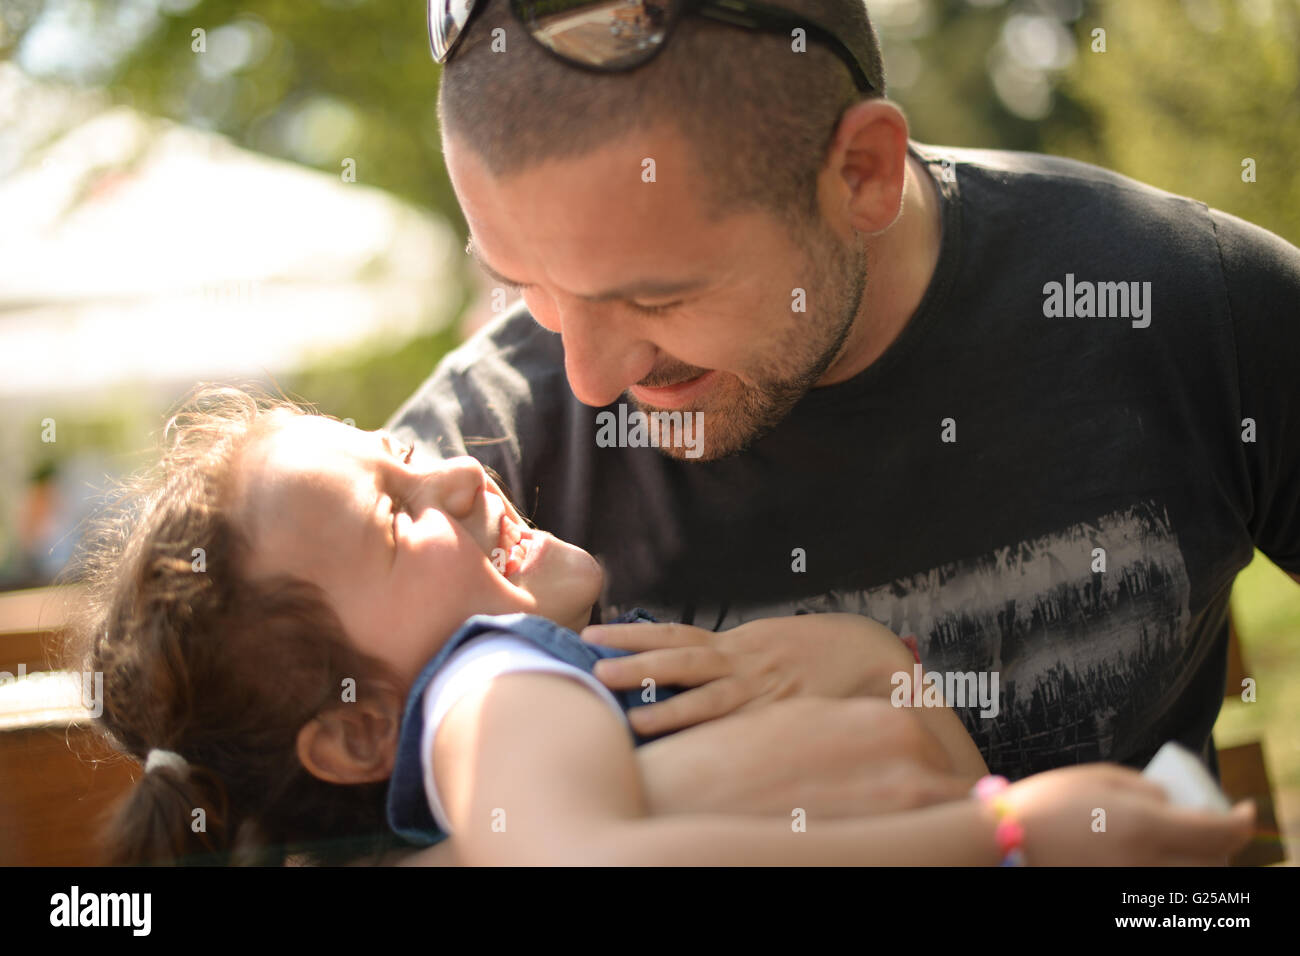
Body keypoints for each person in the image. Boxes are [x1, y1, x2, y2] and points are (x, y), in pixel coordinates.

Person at [389, 0, 1300, 785]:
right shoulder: (455, 489)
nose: (590, 378)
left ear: (860, 171)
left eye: (656, 297)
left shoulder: (1176, 306)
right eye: (524, 284)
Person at [64, 387, 1252, 865]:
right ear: (359, 723)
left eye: (408, 452)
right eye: (392, 516)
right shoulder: (485, 686)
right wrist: (1000, 828)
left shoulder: (526, 674)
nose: (461, 477)